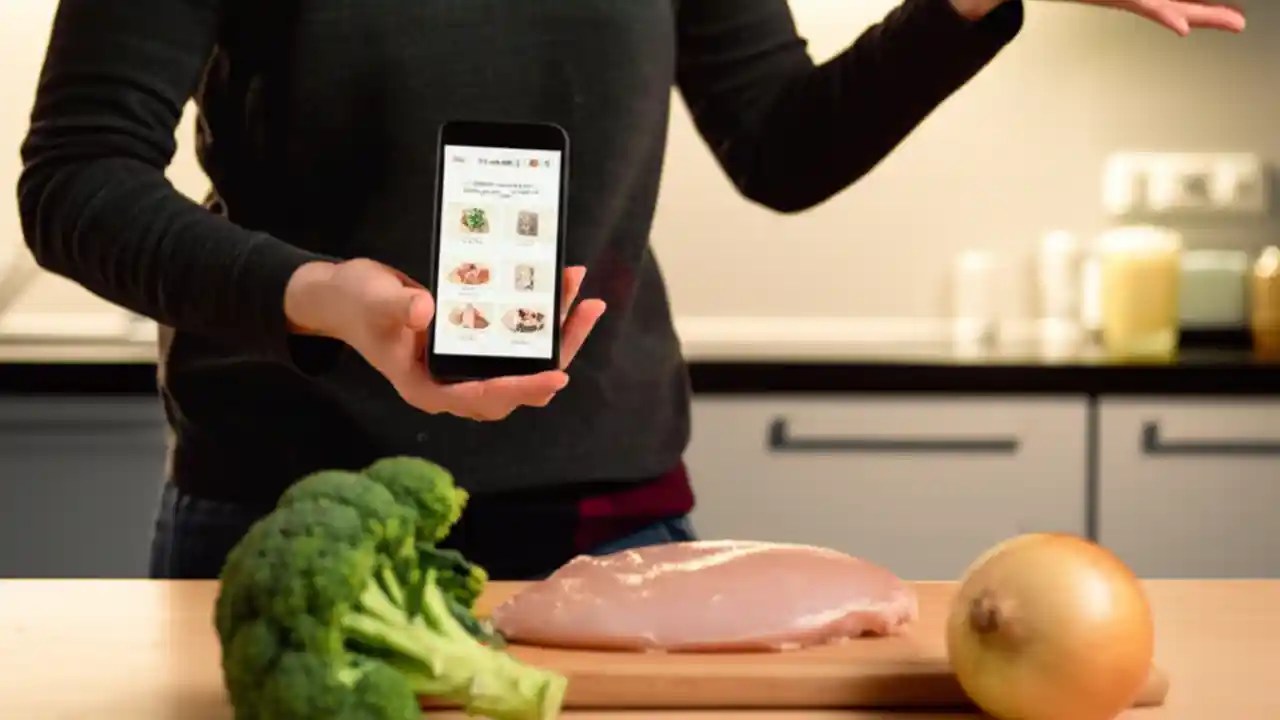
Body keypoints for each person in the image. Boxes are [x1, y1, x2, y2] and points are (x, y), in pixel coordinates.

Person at [17, 0, 1244, 581]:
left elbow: (780, 143)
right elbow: (76, 179)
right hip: (285, 518)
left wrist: (961, 6)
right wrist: (326, 299)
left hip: (606, 524)